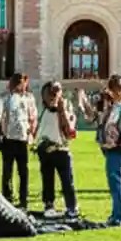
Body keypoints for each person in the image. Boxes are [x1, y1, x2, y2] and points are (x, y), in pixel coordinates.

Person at [79, 75, 121, 226]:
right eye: (118, 88)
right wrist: (83, 101)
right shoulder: (106, 104)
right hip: (110, 147)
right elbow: (93, 118)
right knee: (119, 180)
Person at [34, 80, 79, 218]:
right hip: (45, 149)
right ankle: (49, 205)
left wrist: (61, 109)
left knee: (67, 181)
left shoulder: (66, 108)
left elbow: (70, 130)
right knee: (47, 180)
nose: (52, 96)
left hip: (61, 149)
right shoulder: (43, 109)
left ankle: (71, 207)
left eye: (55, 93)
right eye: (49, 93)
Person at [0, 73, 35, 210]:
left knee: (23, 171)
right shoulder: (6, 97)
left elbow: (32, 116)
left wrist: (31, 132)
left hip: (23, 138)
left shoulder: (29, 98)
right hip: (9, 138)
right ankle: (7, 198)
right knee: (7, 170)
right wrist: (2, 129)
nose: (23, 86)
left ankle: (23, 199)